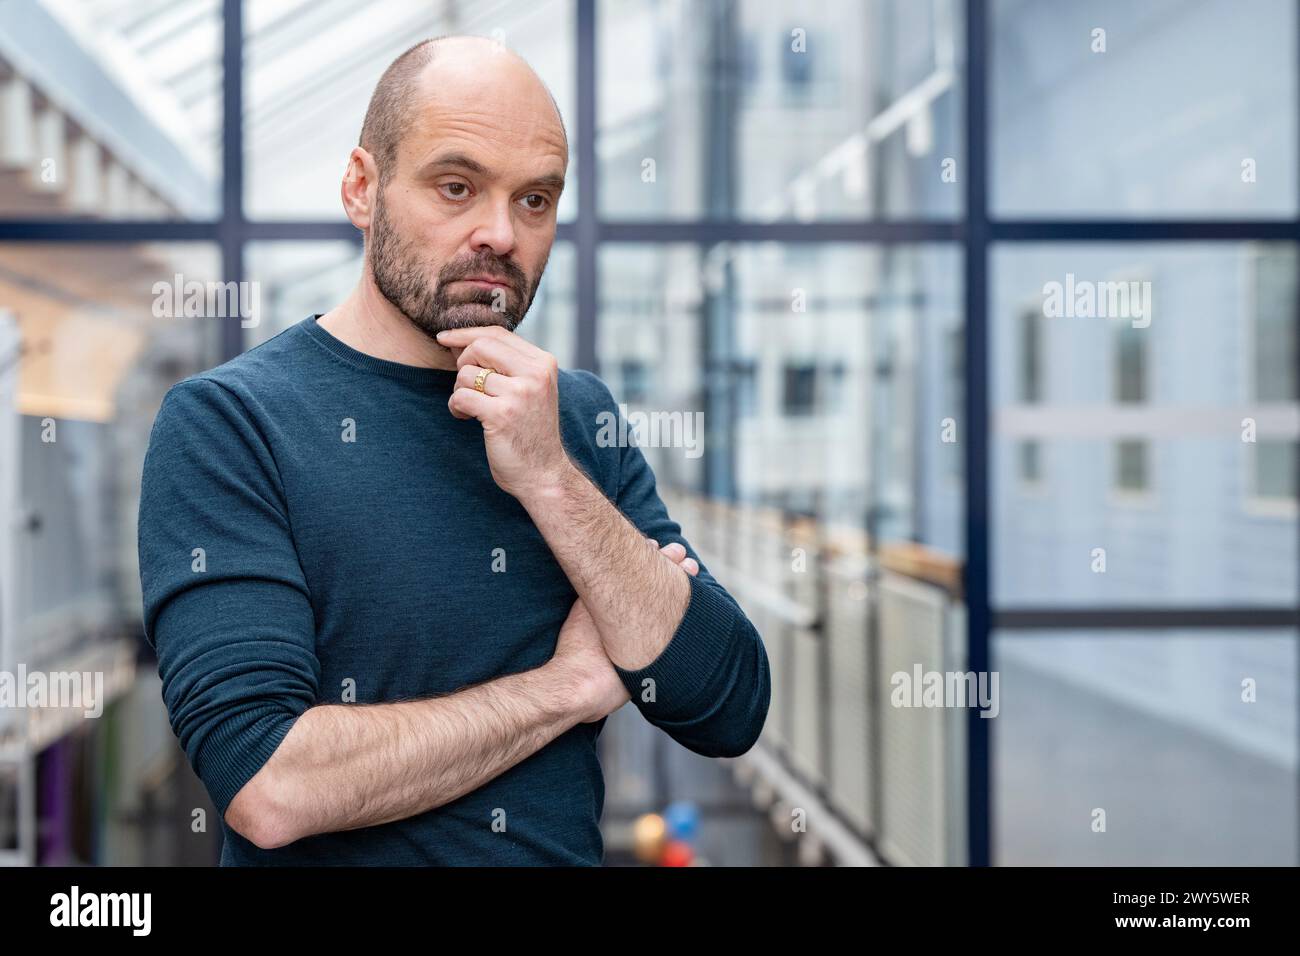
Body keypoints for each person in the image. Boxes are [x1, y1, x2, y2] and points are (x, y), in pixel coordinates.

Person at [137, 35, 770, 865]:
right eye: (457, 186)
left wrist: (549, 479)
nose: (500, 234)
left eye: (535, 200)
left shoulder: (571, 418)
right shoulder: (229, 424)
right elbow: (269, 784)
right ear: (362, 189)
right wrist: (563, 691)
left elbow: (726, 706)